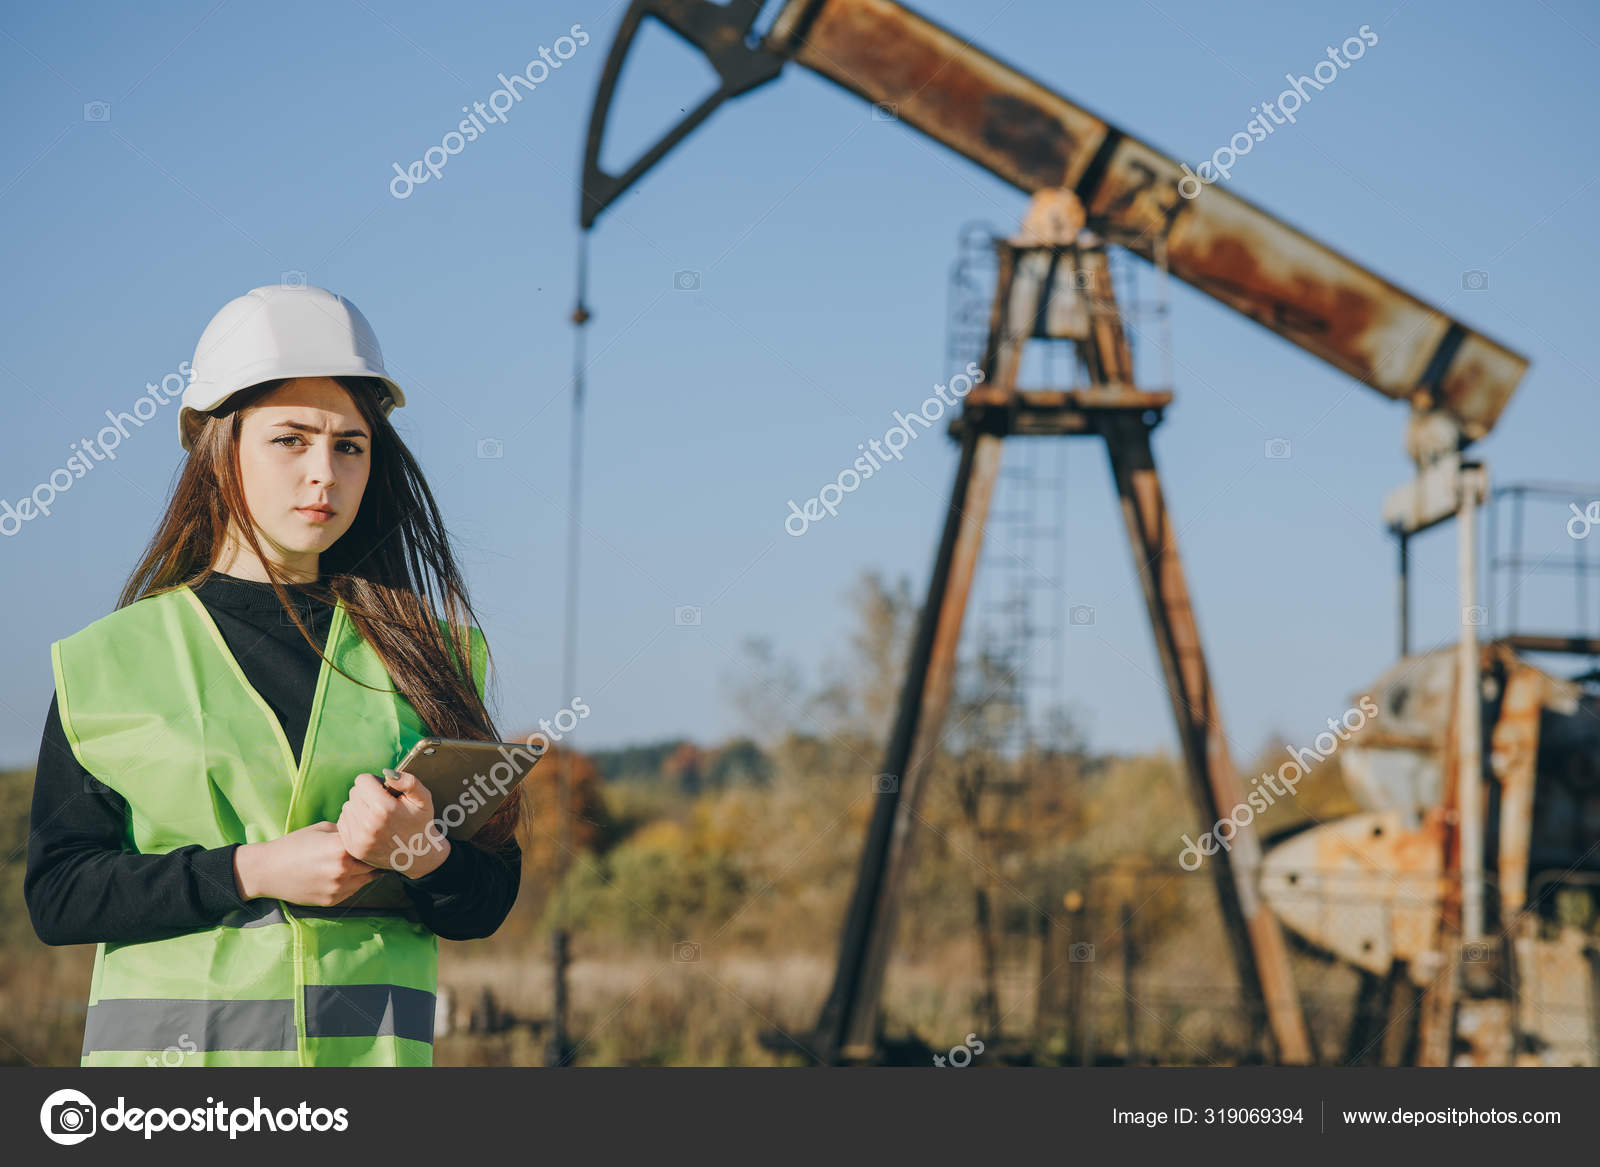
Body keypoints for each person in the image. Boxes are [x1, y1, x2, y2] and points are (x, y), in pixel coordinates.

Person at [24, 284, 523, 1067]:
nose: (324, 472)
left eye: (349, 444)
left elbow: (485, 897)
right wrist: (253, 869)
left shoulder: (430, 653)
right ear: (219, 447)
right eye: (291, 438)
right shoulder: (107, 661)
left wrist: (421, 851)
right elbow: (59, 896)